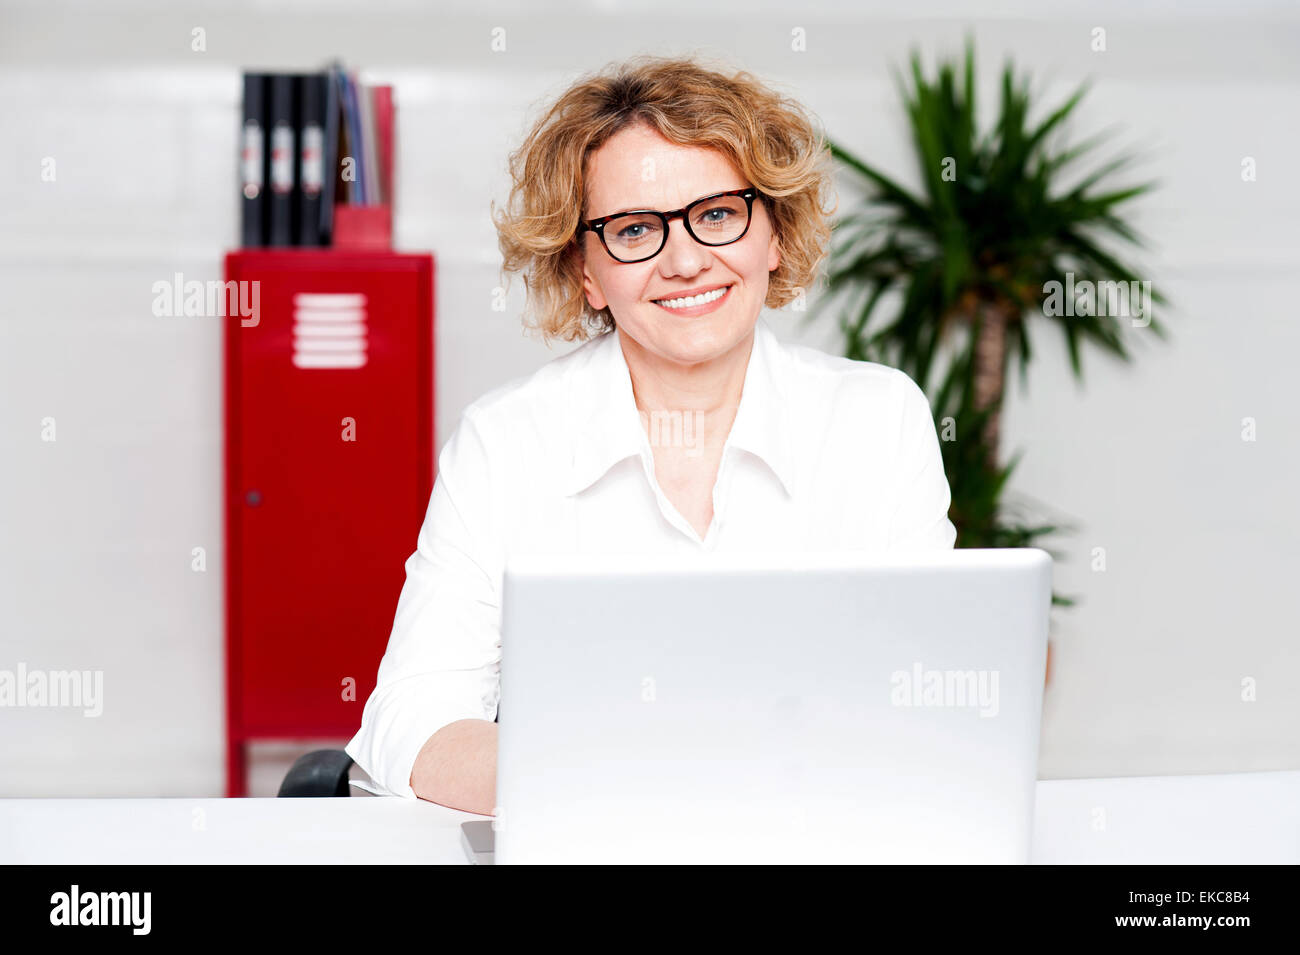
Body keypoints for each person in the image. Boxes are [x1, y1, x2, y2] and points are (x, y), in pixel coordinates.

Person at [345, 54, 956, 814]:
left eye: (719, 213)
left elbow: (931, 705)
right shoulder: (506, 441)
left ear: (774, 233)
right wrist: (640, 783)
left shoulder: (878, 421)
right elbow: (413, 723)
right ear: (587, 273)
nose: (686, 259)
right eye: (635, 229)